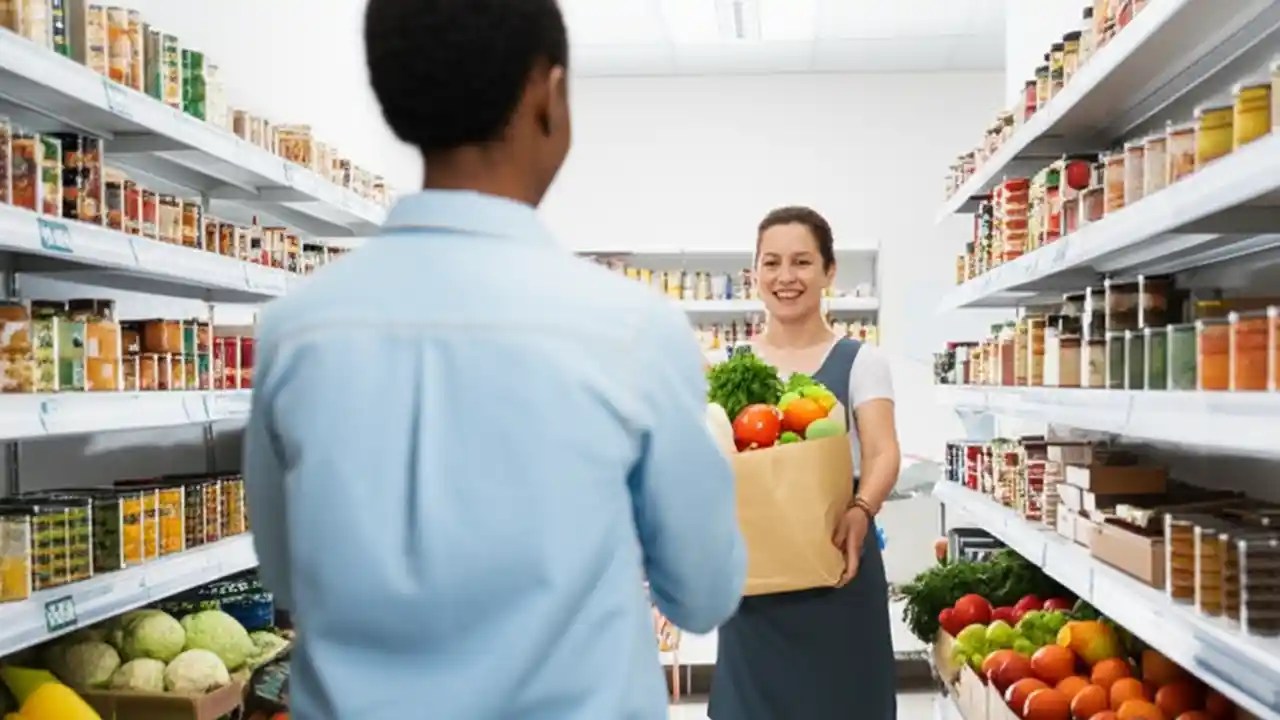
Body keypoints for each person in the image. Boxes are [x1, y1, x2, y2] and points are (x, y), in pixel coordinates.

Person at [242, 1, 746, 718]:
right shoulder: (631, 330)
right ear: (549, 95)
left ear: (395, 102)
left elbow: (290, 583)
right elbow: (703, 593)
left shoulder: (295, 332)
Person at [709, 206, 901, 720]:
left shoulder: (861, 361)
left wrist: (862, 509)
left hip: (840, 564)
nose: (785, 277)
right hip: (755, 585)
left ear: (828, 271)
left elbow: (883, 451)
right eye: (771, 263)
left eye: (801, 262)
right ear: (754, 274)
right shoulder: (728, 366)